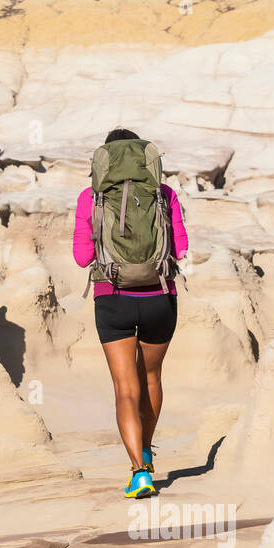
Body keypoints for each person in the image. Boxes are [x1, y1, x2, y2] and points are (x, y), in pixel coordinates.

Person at [72, 127, 188, 498]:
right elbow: (181, 249)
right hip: (159, 298)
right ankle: (148, 455)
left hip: (113, 298)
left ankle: (139, 472)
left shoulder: (91, 197)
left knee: (125, 388)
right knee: (151, 378)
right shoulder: (163, 194)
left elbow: (82, 257)